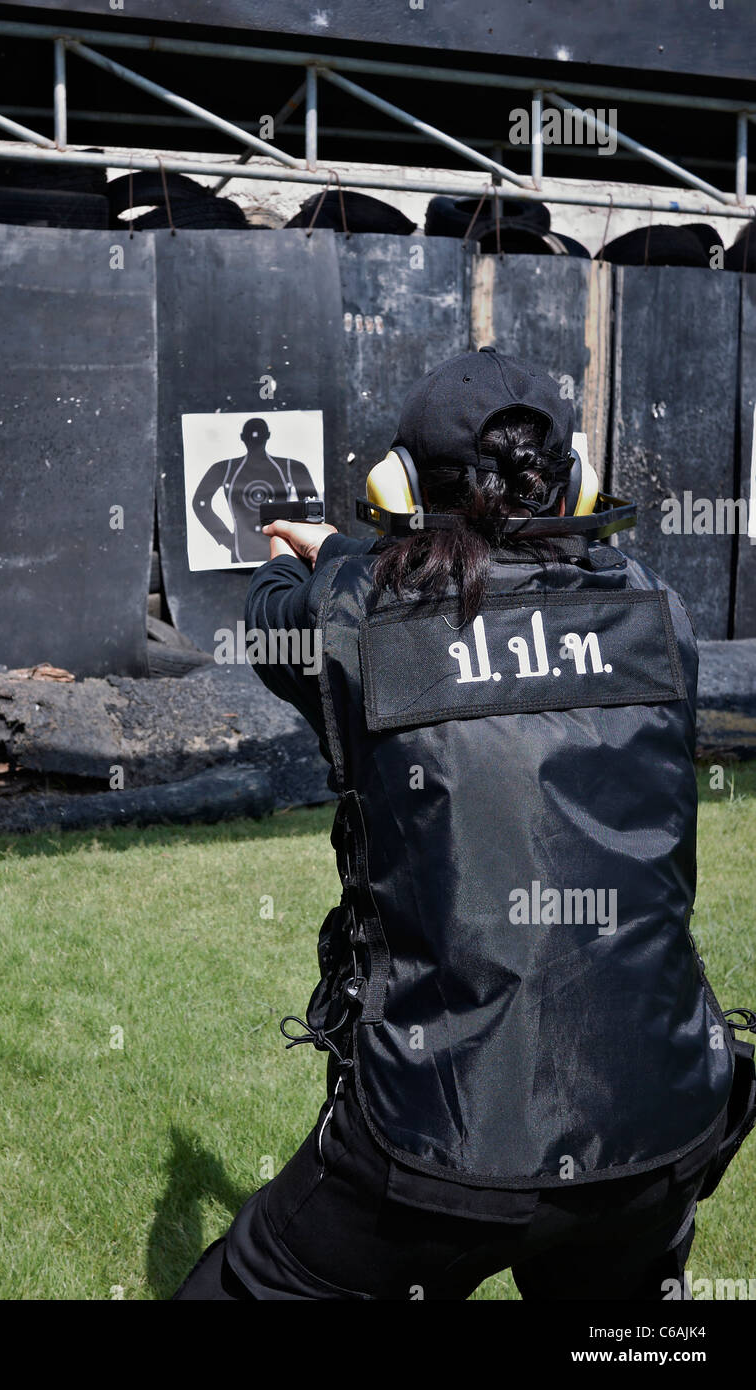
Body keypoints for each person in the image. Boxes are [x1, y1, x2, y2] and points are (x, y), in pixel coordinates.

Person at [172, 347, 752, 1301]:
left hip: (441, 1138)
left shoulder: (356, 617)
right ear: (575, 485)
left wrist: (318, 555)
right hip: (661, 1121)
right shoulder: (660, 614)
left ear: (398, 487)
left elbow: (283, 610)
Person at [191, 417, 319, 564]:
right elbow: (200, 502)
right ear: (268, 435)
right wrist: (224, 537)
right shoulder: (291, 467)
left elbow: (311, 507)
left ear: (242, 437)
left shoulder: (226, 468)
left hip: (262, 548)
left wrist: (225, 538)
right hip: (259, 549)